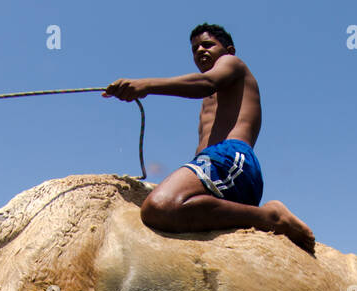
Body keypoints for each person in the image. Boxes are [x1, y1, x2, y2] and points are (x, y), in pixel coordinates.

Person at [104, 23, 316, 253]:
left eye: (208, 45)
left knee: (160, 206)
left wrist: (145, 85)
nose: (200, 51)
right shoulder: (213, 97)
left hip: (231, 158)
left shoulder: (232, 64)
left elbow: (205, 83)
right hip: (213, 166)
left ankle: (270, 216)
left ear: (229, 50)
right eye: (194, 49)